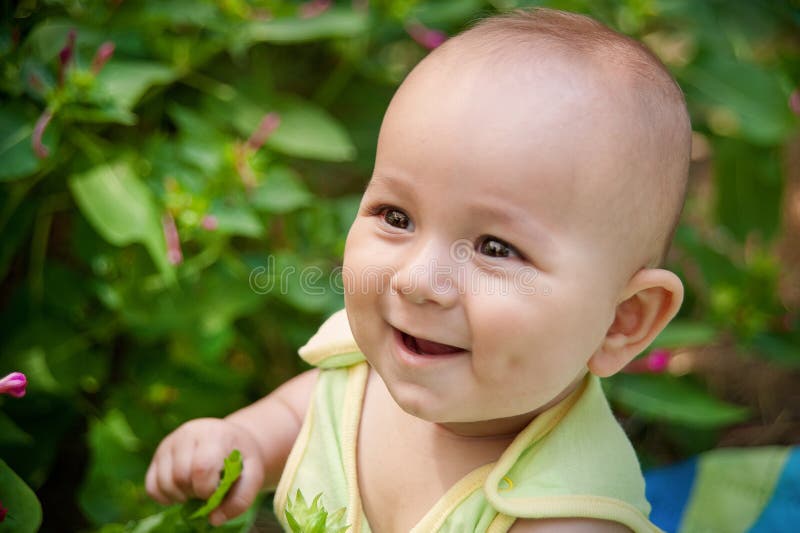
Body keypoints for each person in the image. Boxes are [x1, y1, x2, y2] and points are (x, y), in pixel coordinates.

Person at [146, 7, 691, 532]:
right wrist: (234, 443)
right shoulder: (359, 374)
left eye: (495, 248)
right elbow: (297, 418)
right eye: (396, 217)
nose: (417, 280)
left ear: (622, 320)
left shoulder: (565, 513)